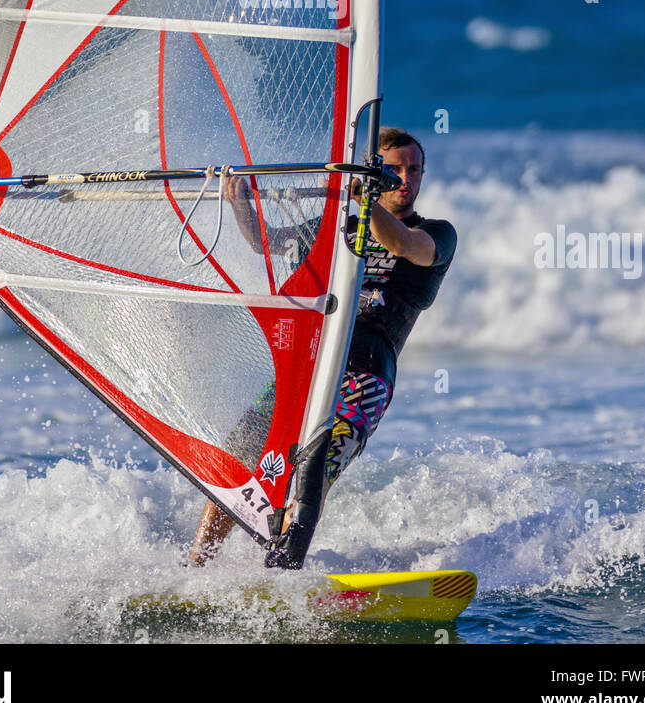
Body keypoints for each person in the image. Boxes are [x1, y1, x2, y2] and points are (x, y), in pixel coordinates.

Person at [189, 127, 457, 566]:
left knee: (315, 469)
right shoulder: (338, 228)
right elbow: (267, 242)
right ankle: (195, 568)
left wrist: (361, 197)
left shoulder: (437, 234)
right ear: (375, 171)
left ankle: (283, 570)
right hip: (307, 370)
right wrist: (240, 203)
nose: (406, 179)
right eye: (394, 169)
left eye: (415, 169)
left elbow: (404, 245)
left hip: (366, 373)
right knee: (239, 459)